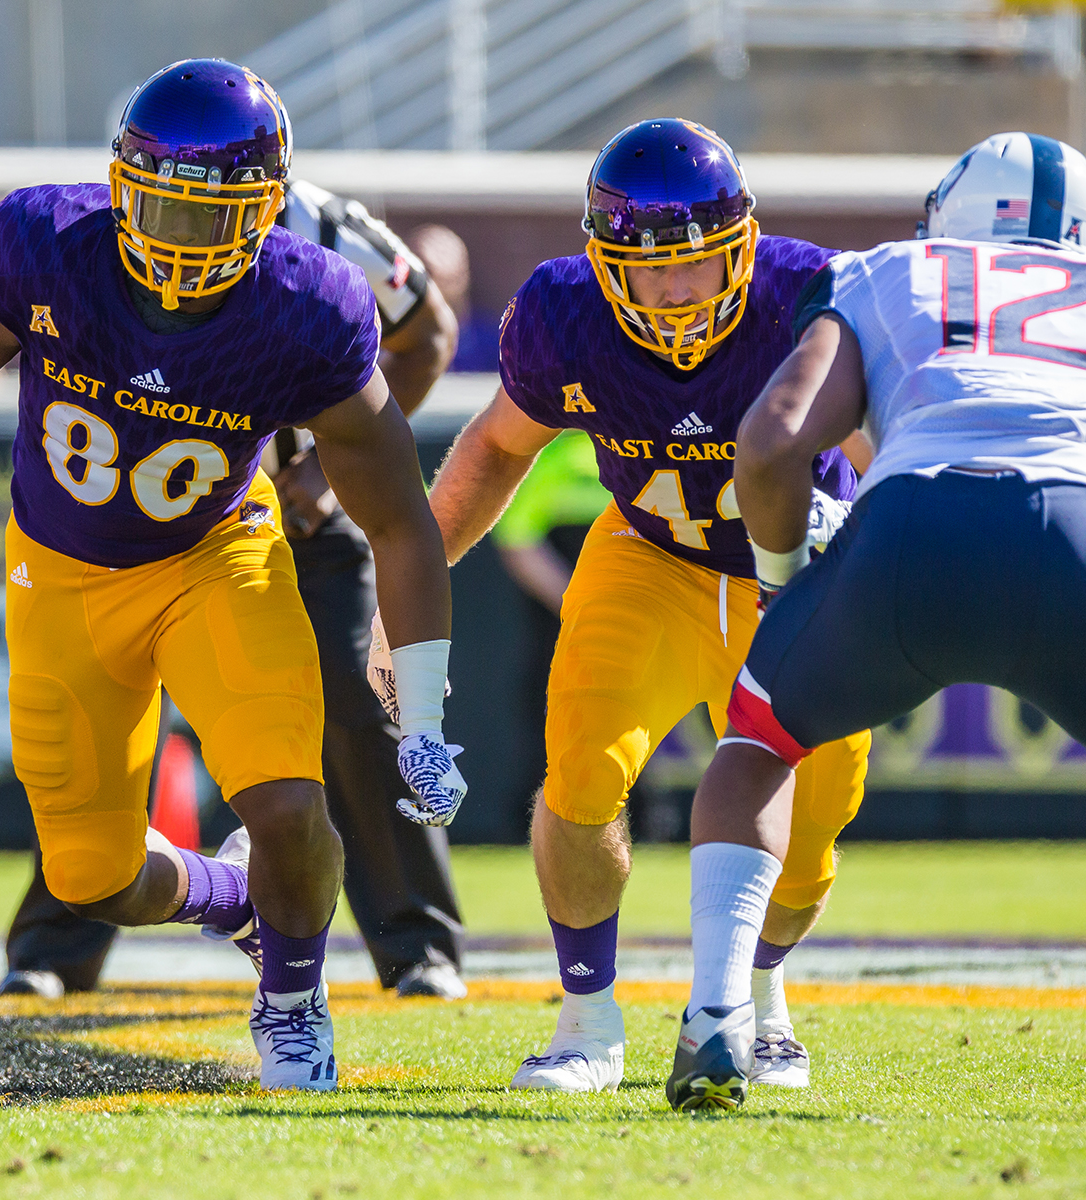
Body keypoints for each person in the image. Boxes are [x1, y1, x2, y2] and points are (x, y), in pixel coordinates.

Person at [0, 58, 466, 1090]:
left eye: (211, 219)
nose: (181, 245)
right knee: (93, 877)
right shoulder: (48, 245)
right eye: (162, 212)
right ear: (121, 186)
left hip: (218, 558)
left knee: (293, 811)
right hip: (62, 577)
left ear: (268, 214)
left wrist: (425, 713)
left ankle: (295, 1003)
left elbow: (399, 523)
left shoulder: (310, 304)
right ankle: (232, 901)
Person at [419, 119, 872, 1094]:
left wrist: (876, 544)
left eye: (698, 267)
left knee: (809, 852)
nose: (674, 291)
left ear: (742, 249)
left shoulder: (816, 298)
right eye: (647, 267)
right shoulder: (565, 314)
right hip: (650, 556)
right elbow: (501, 446)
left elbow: (891, 459)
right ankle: (588, 1021)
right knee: (578, 780)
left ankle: (760, 991)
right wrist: (404, 584)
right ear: (601, 262)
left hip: (795, 576)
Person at [668, 132, 1086, 1109]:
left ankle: (718, 1018)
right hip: (1074, 521)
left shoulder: (891, 269)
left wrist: (782, 587)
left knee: (759, 742)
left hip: (914, 524)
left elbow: (771, 444)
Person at [0, 175, 470, 1002]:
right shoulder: (103, 231)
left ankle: (416, 943)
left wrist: (324, 473)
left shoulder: (329, 236)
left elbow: (429, 331)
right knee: (104, 716)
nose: (192, 244)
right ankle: (57, 946)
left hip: (294, 511)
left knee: (359, 710)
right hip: (151, 514)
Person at [406, 223, 498, 372]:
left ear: (463, 275)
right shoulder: (385, 343)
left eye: (429, 273)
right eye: (417, 271)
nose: (423, 284)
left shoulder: (493, 345)